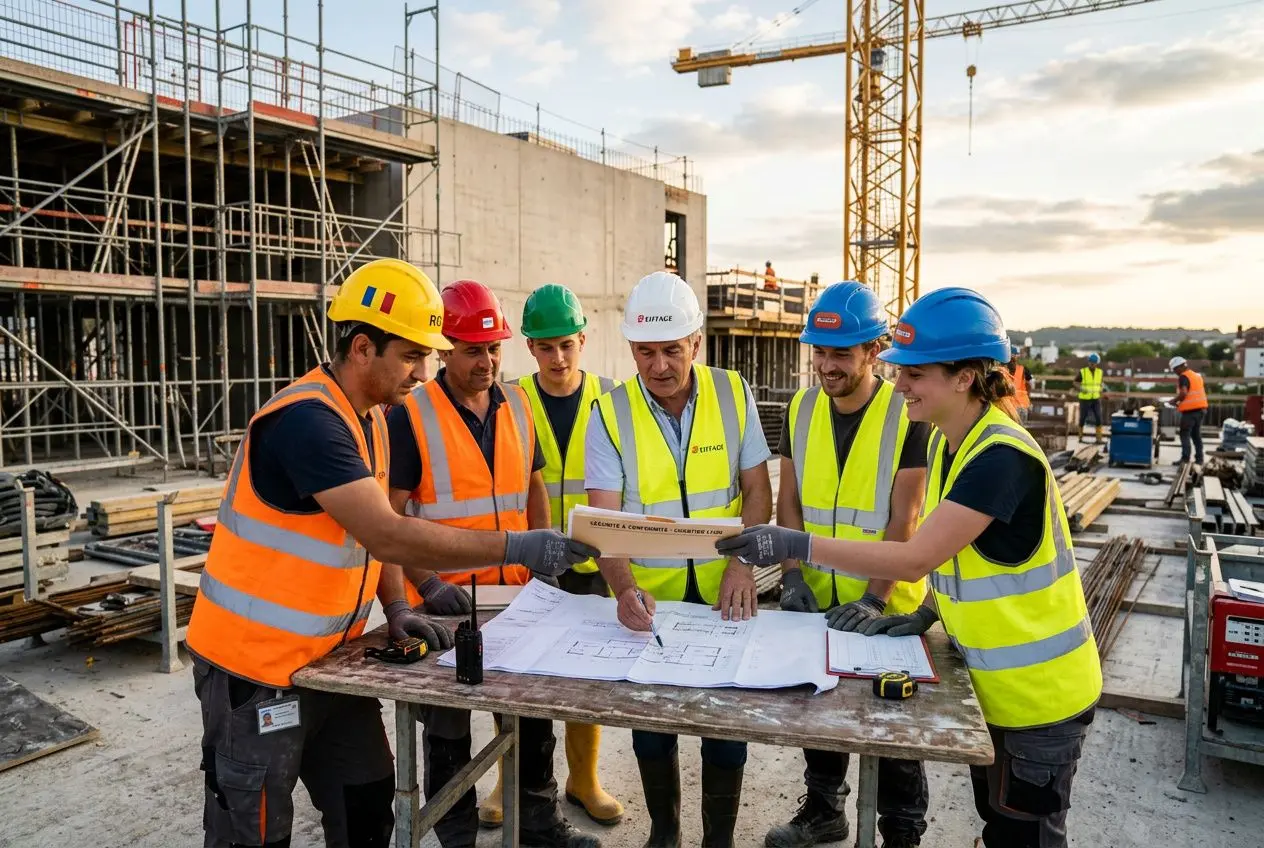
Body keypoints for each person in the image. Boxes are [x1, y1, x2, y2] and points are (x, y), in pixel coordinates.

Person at [186, 259, 596, 848]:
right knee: (254, 829)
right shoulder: (306, 422)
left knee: (370, 802)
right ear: (362, 348)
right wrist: (517, 545)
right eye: (411, 356)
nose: (424, 372)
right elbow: (387, 532)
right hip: (253, 671)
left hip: (329, 663)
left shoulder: (372, 420)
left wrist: (397, 607)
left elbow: (367, 540)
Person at [719, 287, 1103, 848]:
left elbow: (917, 554)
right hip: (1000, 690)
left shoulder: (1000, 458)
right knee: (1000, 824)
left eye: (915, 374)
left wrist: (797, 546)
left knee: (1026, 837)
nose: (900, 386)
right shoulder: (957, 445)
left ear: (965, 377)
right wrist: (927, 610)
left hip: (1040, 697)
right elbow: (961, 557)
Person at [387, 280, 597, 848]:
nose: (486, 363)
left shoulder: (519, 404)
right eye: (472, 351)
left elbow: (532, 485)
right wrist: (425, 583)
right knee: (448, 729)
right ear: (444, 351)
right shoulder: (411, 415)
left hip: (516, 595)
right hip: (448, 603)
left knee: (531, 715)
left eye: (494, 349)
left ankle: (540, 825)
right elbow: (390, 516)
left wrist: (541, 560)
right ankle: (456, 836)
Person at [585, 270, 773, 848]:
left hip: (724, 598)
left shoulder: (733, 392)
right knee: (651, 728)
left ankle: (719, 840)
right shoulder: (610, 413)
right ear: (631, 348)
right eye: (646, 352)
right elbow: (605, 522)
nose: (660, 365)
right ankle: (664, 834)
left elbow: (757, 491)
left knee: (725, 728)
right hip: (653, 604)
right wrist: (623, 588)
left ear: (696, 341)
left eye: (672, 350)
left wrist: (743, 565)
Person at [766, 282, 930, 848]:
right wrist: (790, 573)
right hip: (817, 592)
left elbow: (905, 519)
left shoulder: (906, 414)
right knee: (819, 710)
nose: (826, 365)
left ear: (874, 351)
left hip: (887, 603)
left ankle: (902, 834)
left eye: (841, 353)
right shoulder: (801, 408)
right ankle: (824, 811)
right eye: (820, 351)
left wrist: (876, 597)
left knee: (894, 726)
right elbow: (789, 500)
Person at [511, 282, 624, 828]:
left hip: (595, 562)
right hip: (532, 562)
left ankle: (584, 780)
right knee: (520, 680)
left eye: (566, 344)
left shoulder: (611, 396)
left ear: (583, 339)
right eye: (545, 347)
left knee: (587, 677)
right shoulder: (512, 400)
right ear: (530, 347)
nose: (558, 358)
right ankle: (514, 782)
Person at [1169, 355, 1208, 466]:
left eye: (1175, 369)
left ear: (1180, 367)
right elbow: (1193, 393)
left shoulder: (1183, 377)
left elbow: (1184, 393)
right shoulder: (1196, 376)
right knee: (1196, 435)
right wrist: (1179, 403)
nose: (1175, 372)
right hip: (1201, 410)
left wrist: (1174, 400)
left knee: (1184, 434)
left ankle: (1185, 459)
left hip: (1190, 412)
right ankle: (1199, 460)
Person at [1073, 353, 1104, 442]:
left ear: (1097, 363)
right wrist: (1081, 388)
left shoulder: (1100, 372)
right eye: (1091, 362)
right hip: (1084, 399)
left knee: (1098, 417)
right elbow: (1075, 382)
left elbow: (1100, 383)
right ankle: (1080, 437)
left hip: (1096, 398)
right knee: (1083, 417)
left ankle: (1099, 438)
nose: (1092, 364)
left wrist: (1101, 388)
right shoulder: (1083, 372)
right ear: (1088, 362)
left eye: (1094, 363)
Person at [1009, 346, 1033, 425]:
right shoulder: (1023, 370)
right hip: (1021, 406)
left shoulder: (1002, 371)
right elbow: (1030, 385)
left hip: (1009, 407)